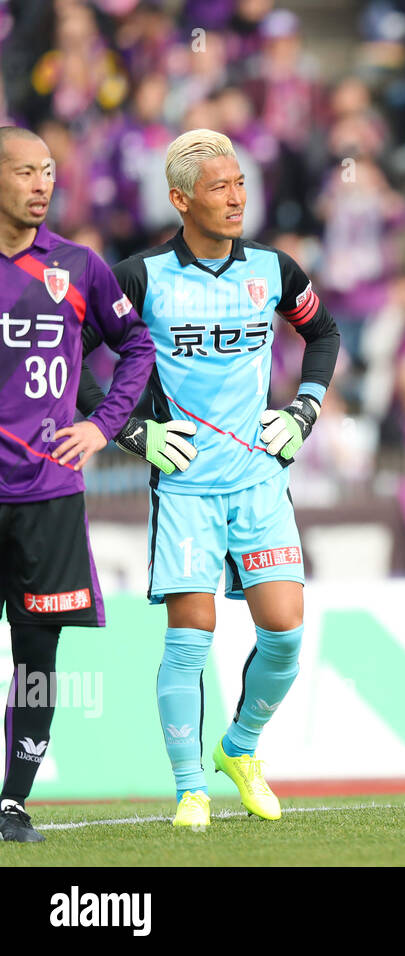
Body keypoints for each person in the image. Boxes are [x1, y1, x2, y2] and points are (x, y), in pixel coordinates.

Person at [78, 129, 340, 828]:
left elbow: (325, 335)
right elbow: (68, 357)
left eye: (241, 184)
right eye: (220, 187)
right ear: (179, 199)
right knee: (190, 638)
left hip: (259, 480)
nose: (235, 197)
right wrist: (133, 432)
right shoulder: (138, 277)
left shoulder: (274, 269)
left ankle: (240, 749)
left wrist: (304, 410)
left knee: (284, 632)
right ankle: (190, 787)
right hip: (187, 484)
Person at [0, 126, 154, 841]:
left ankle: (13, 801)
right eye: (26, 171)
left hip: (48, 496)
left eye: (50, 172)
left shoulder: (77, 265)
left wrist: (103, 427)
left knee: (37, 656)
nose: (42, 184)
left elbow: (137, 345)